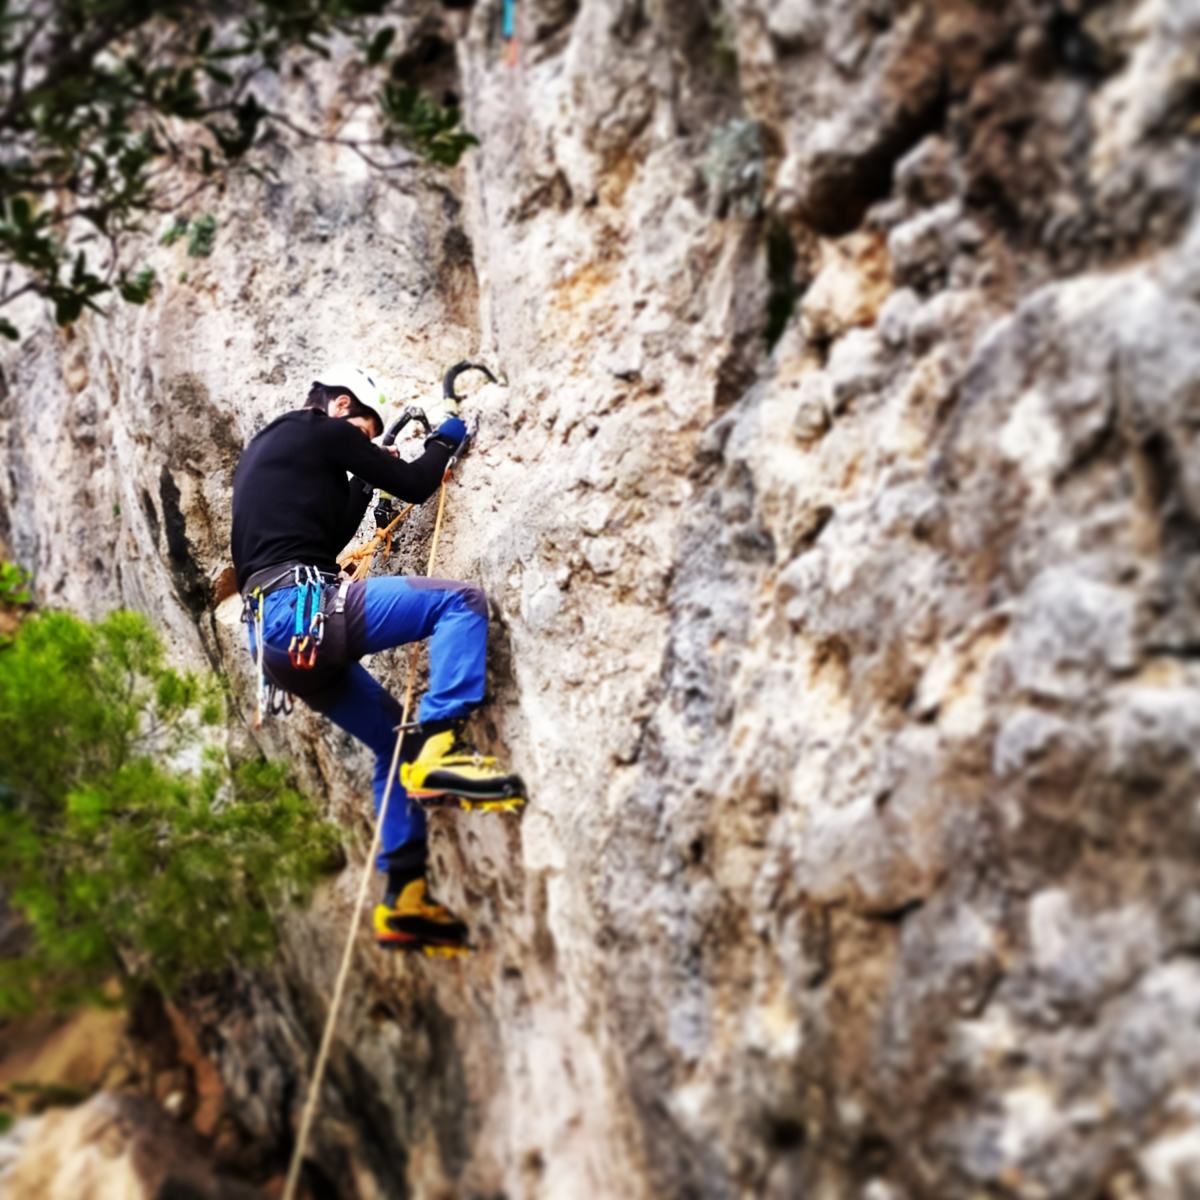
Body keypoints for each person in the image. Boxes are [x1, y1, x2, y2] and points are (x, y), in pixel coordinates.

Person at [230, 364, 524, 955]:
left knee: (394, 746)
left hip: (277, 642)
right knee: (459, 602)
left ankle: (405, 898)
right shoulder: (324, 426)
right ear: (342, 405)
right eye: (364, 430)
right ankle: (442, 740)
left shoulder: (269, 453)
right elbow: (418, 482)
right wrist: (447, 435)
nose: (362, 443)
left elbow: (330, 530)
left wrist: (362, 484)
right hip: (305, 611)